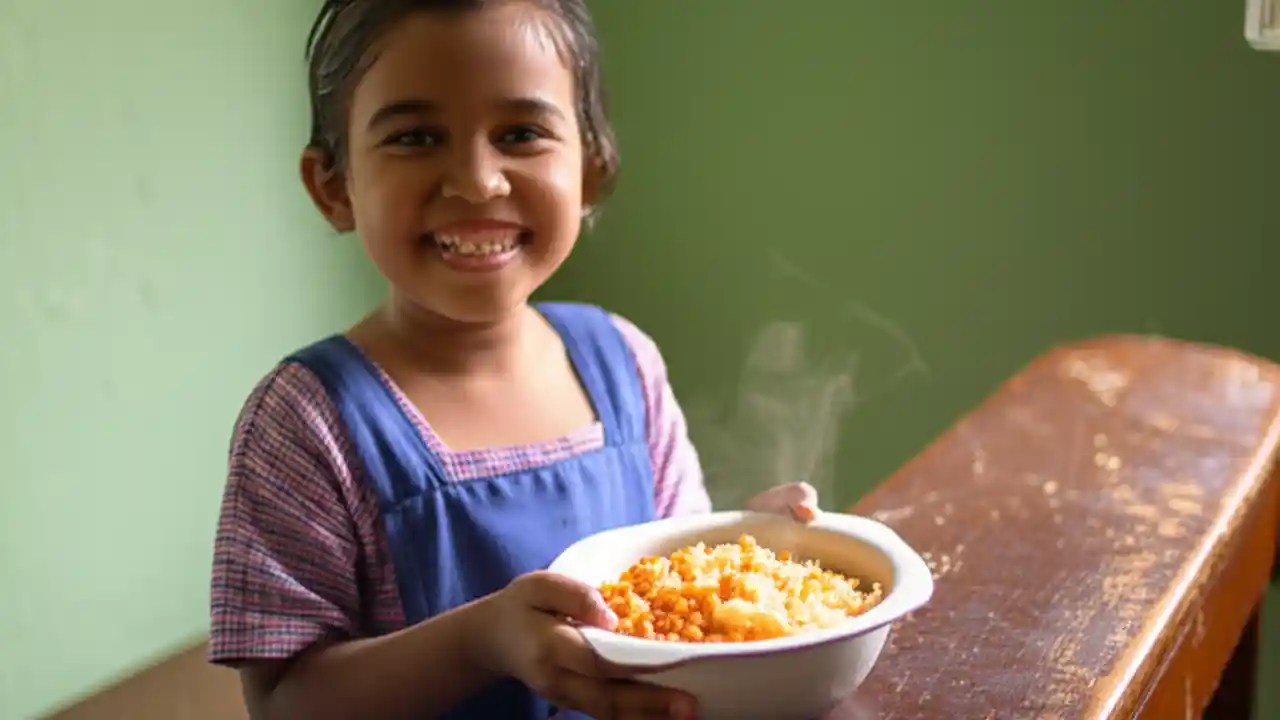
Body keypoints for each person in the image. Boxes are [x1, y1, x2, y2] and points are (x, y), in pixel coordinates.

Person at [208, 1, 820, 718]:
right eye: (416, 137)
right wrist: (478, 643)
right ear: (334, 187)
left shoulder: (623, 362)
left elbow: (670, 585)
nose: (476, 181)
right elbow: (283, 705)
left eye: (521, 133)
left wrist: (741, 559)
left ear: (591, 169)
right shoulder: (305, 423)